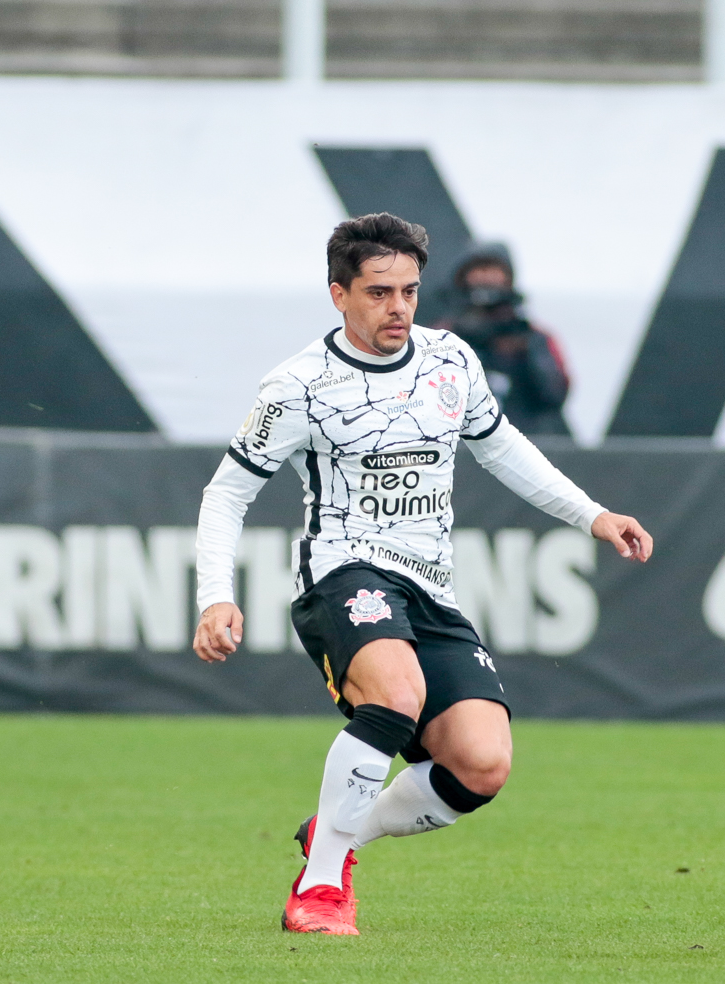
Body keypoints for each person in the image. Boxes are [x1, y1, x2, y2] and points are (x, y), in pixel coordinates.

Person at [191, 212, 652, 936]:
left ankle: (335, 833)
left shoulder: (450, 360)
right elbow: (227, 492)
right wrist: (215, 595)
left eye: (407, 290)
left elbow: (503, 450)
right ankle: (320, 891)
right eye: (378, 292)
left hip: (430, 588)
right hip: (342, 576)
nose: (398, 307)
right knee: (398, 695)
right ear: (339, 294)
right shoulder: (298, 385)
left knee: (481, 763)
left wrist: (592, 515)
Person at [439, 242, 572, 437]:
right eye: (478, 270)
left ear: (508, 278)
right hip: (459, 448)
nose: (485, 278)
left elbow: (555, 395)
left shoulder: (532, 337)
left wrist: (527, 353)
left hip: (520, 442)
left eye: (493, 270)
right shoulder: (442, 337)